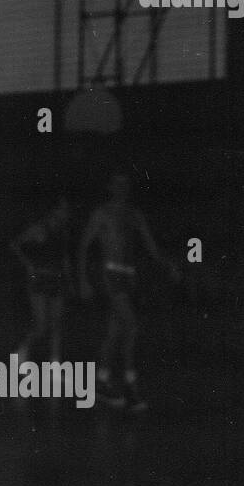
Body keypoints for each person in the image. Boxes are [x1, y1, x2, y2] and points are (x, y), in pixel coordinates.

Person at [78, 170, 180, 412]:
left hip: (127, 277)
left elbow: (152, 248)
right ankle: (130, 384)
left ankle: (101, 382)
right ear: (110, 186)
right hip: (109, 275)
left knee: (115, 333)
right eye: (117, 183)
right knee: (132, 326)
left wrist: (171, 265)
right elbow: (83, 246)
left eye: (126, 183)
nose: (122, 187)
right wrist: (83, 280)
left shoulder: (135, 215)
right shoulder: (101, 213)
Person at [10, 195, 72, 368]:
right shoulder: (40, 228)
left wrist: (69, 278)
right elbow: (15, 244)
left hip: (57, 278)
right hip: (40, 279)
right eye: (63, 209)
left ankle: (55, 361)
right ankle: (22, 350)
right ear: (55, 209)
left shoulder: (64, 230)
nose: (66, 212)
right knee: (42, 325)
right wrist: (29, 265)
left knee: (58, 322)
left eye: (68, 210)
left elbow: (64, 256)